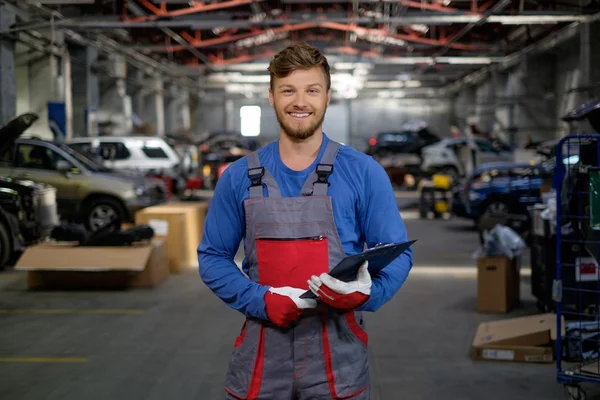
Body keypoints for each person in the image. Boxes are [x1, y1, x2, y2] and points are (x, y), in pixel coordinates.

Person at [198, 42, 413, 400]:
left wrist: (366, 293)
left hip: (337, 361)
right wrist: (260, 300)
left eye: (312, 90)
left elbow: (397, 254)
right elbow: (213, 257)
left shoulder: (363, 173)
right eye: (288, 90)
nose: (300, 102)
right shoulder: (238, 177)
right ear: (271, 97)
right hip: (262, 358)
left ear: (328, 96)